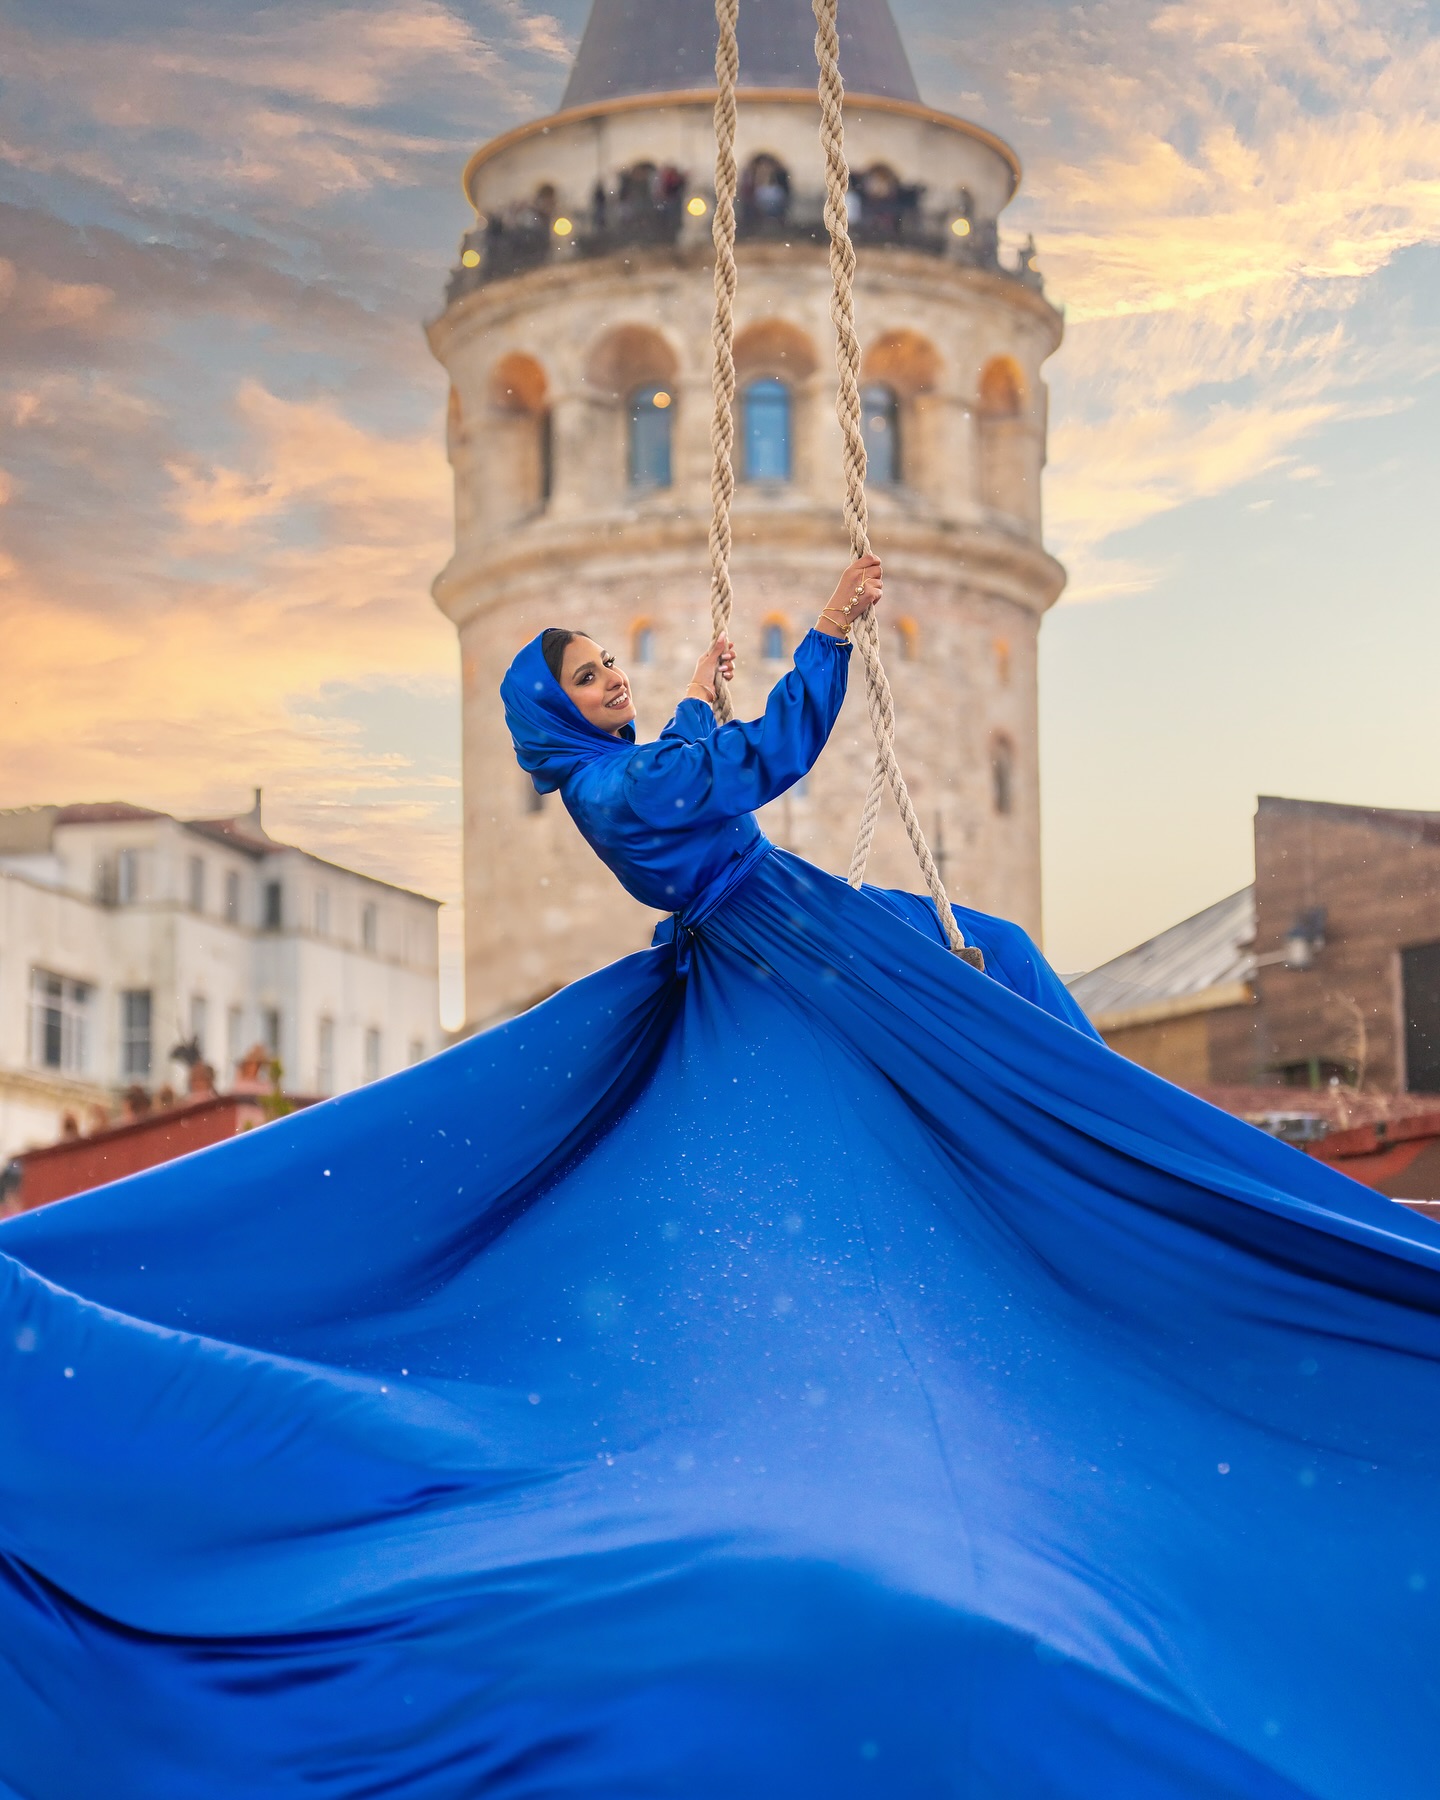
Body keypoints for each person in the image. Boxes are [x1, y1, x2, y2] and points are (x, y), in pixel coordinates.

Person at [2, 560, 1440, 1797]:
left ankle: (1078, 1124)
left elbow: (699, 768)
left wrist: (699, 692)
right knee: (989, 964)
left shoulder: (622, 769)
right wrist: (825, 633)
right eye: (590, 673)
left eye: (608, 665)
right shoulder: (623, 786)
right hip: (784, 935)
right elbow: (750, 773)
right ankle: (1089, 1132)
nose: (611, 682)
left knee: (993, 955)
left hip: (785, 918)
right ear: (551, 710)